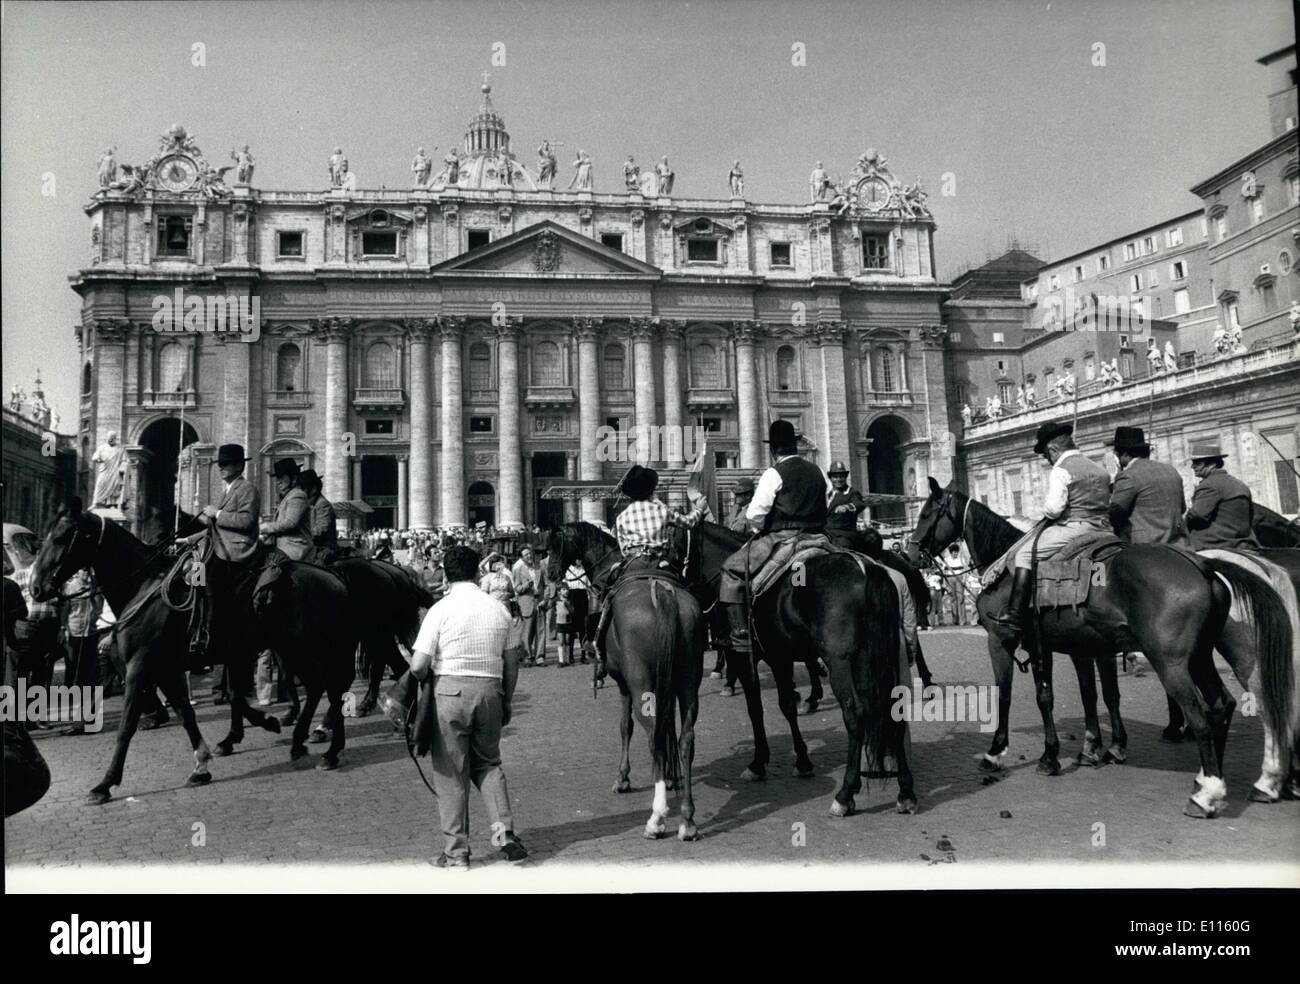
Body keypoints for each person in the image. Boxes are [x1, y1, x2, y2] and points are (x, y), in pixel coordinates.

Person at [410, 544, 527, 869]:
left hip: (450, 694)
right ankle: (505, 834)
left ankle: (457, 853)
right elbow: (512, 661)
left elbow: (419, 665)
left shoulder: (440, 609)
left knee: (451, 773)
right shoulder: (499, 609)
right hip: (490, 690)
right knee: (489, 764)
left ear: (446, 574)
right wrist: (505, 698)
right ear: (478, 572)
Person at [988, 421, 1112, 642]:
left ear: (1053, 449)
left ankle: (1015, 614)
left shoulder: (1061, 470)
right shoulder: (1099, 468)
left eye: (1046, 454)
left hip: (1075, 528)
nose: (1047, 458)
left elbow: (1054, 510)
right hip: (1104, 528)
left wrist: (1046, 511)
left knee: (1024, 555)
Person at [718, 420, 832, 655]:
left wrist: (761, 528)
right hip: (819, 536)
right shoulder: (818, 470)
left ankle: (741, 635)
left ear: (773, 450)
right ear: (795, 446)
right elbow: (829, 499)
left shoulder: (774, 473)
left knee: (730, 570)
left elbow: (754, 514)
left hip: (783, 538)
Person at [591, 464, 706, 679]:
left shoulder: (622, 517)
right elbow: (689, 522)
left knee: (609, 597)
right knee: (691, 590)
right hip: (662, 565)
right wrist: (699, 507)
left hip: (633, 565)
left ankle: (598, 640)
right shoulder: (661, 510)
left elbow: (623, 549)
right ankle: (704, 635)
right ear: (651, 490)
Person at [178, 443, 261, 692]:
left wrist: (217, 513)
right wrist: (188, 539)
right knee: (192, 572)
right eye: (220, 464)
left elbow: (246, 521)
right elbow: (214, 529)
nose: (222, 468)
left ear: (239, 466)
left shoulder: (248, 489)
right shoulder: (227, 490)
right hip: (219, 546)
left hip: (237, 549)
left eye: (226, 464)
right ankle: (197, 621)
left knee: (205, 578)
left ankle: (208, 630)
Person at [1107, 427, 1188, 545]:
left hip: (1146, 546)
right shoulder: (1170, 469)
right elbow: (1183, 508)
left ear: (1124, 453)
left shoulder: (1128, 475)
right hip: (1179, 544)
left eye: (1116, 454)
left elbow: (1114, 515)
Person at [1185, 443, 1258, 551]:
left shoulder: (1209, 485)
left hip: (1212, 543)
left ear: (1212, 464)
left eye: (1197, 463)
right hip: (1243, 542)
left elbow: (1196, 516)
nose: (1192, 467)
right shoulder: (1240, 484)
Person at [60, 567, 104, 735]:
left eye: (88, 571)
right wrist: (63, 629)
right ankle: (75, 722)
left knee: (92, 679)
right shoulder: (70, 587)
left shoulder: (96, 587)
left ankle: (91, 721)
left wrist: (93, 593)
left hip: (93, 634)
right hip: (75, 634)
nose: (85, 574)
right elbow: (65, 608)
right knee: (75, 678)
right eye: (82, 571)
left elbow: (100, 608)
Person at [259, 459, 314, 561]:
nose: (278, 482)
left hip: (295, 548)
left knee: (271, 574)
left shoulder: (297, 495)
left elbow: (290, 523)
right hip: (283, 547)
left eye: (281, 477)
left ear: (293, 478)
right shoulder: (288, 496)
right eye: (277, 478)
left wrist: (265, 527)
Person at [511, 547, 542, 666]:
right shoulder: (519, 570)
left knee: (541, 631)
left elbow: (546, 584)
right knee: (527, 632)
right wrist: (525, 586)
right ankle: (528, 657)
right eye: (526, 555)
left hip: (539, 601)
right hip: (526, 602)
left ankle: (540, 657)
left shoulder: (539, 568)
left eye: (530, 553)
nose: (529, 556)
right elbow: (517, 589)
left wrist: (546, 598)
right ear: (522, 558)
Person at [825, 460, 867, 549]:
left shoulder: (852, 492)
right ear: (830, 478)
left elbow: (859, 504)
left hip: (844, 535)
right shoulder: (828, 495)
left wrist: (847, 507)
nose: (839, 479)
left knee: (842, 554)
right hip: (826, 534)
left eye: (841, 476)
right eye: (835, 477)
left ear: (845, 477)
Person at [300, 469, 338, 559]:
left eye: (303, 490)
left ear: (313, 489)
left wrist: (301, 535)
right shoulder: (310, 505)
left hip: (324, 552)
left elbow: (321, 530)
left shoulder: (322, 504)